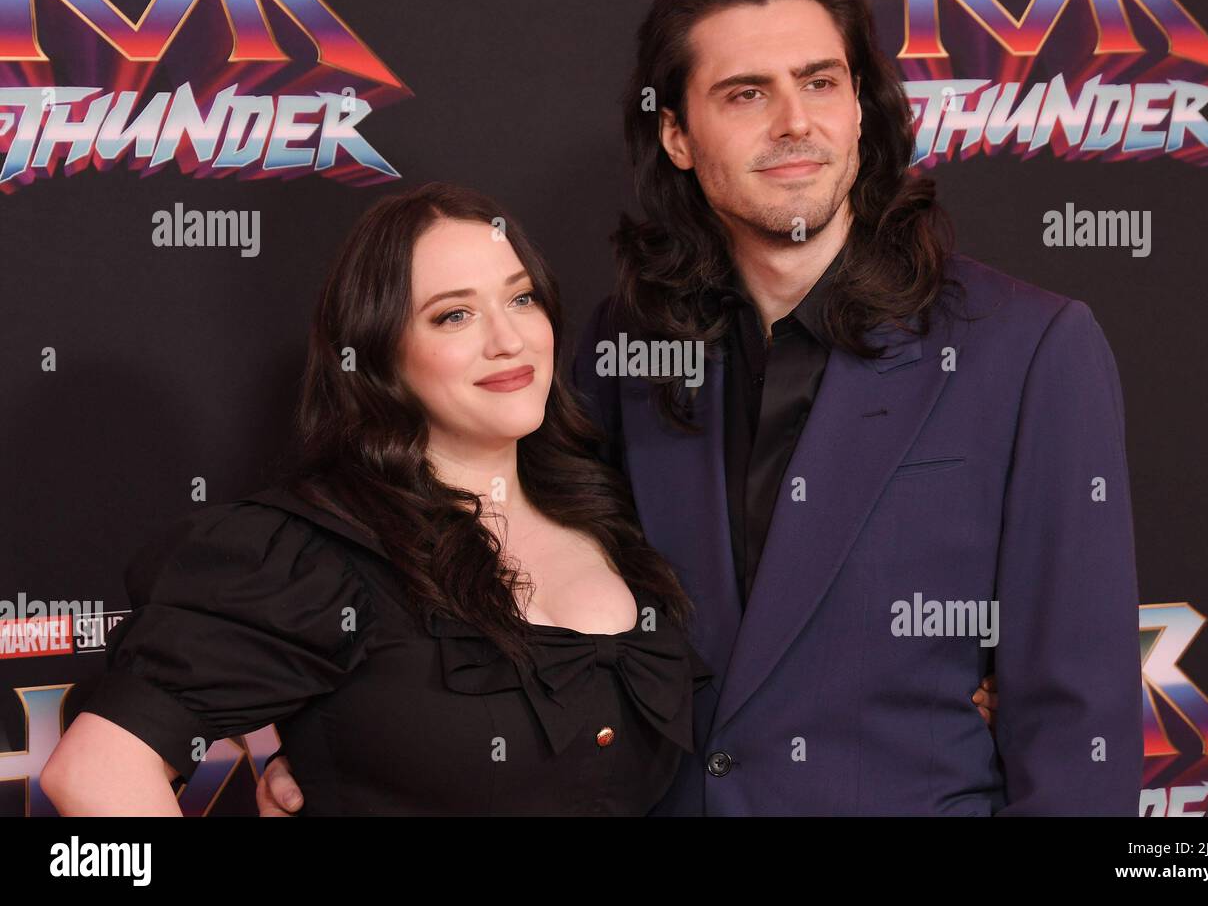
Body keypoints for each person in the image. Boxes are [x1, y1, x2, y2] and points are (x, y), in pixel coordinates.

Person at [259, 0, 1131, 819]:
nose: (796, 122)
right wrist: (336, 741)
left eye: (821, 83)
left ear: (861, 107)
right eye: (746, 93)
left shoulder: (1028, 350)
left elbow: (1077, 734)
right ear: (676, 133)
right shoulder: (610, 356)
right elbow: (458, 547)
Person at [42, 182, 716, 815]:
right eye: (454, 315)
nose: (508, 339)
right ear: (381, 354)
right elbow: (94, 773)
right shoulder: (312, 553)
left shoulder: (612, 511)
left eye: (520, 298)